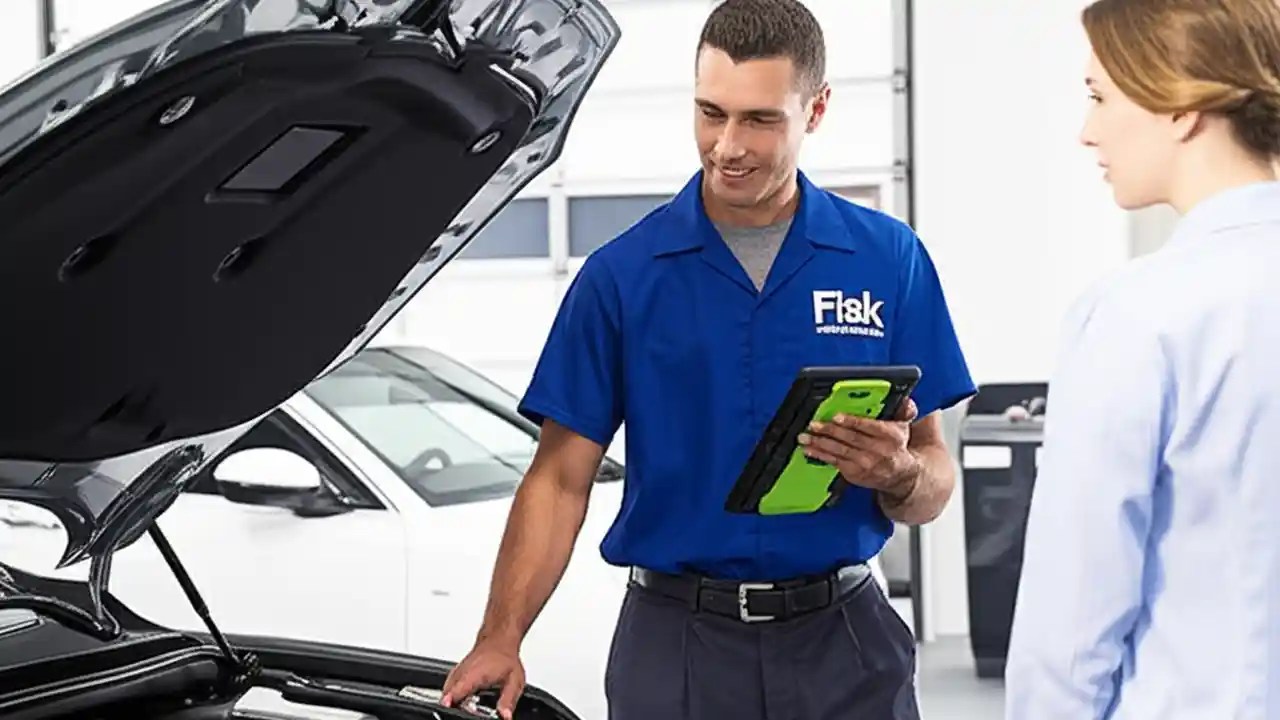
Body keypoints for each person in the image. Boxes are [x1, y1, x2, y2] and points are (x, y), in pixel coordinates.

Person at [441, 0, 975, 717]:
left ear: (815, 111)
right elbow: (560, 479)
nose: (727, 145)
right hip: (677, 650)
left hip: (845, 645)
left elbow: (936, 477)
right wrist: (499, 637)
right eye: (710, 112)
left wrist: (900, 473)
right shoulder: (621, 277)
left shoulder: (889, 261)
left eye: (760, 119)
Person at [1004, 1, 1280, 718]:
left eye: (1100, 95)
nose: (1087, 130)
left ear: (1181, 102)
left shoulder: (1138, 313)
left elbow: (1071, 622)